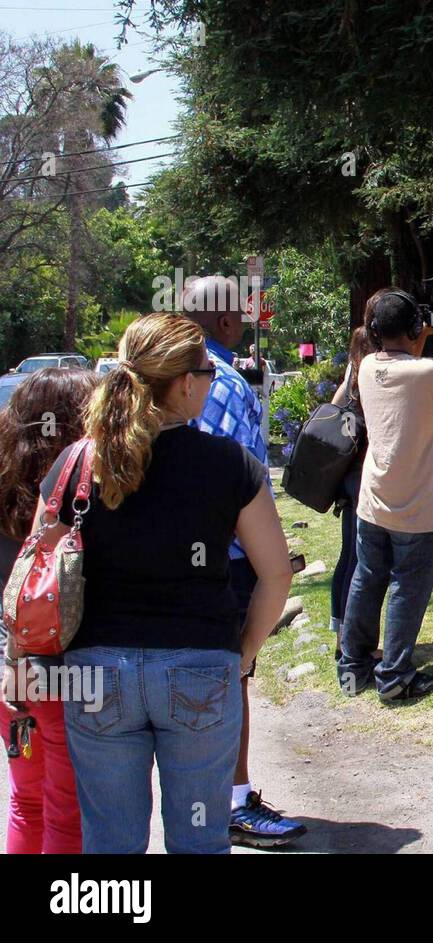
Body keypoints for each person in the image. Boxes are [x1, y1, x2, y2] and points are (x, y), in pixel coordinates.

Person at [44, 314, 293, 853]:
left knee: (109, 842)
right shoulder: (230, 464)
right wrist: (242, 652)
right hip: (201, 667)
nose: (211, 382)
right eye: (207, 373)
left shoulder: (77, 464)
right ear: (184, 383)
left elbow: (42, 567)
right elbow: (276, 573)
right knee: (199, 839)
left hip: (95, 675)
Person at [181, 275, 307, 847]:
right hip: (220, 565)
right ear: (227, 324)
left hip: (166, 561)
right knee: (233, 678)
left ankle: (200, 805)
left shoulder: (153, 377)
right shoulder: (222, 380)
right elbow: (231, 486)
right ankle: (233, 801)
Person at [337, 289, 433, 702]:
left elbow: (406, 362)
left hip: (373, 500)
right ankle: (395, 676)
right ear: (416, 329)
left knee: (366, 579)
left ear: (375, 330)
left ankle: (353, 665)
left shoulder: (365, 369)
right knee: (407, 586)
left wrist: (422, 335)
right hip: (417, 508)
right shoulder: (430, 373)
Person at [0, 366, 97, 854]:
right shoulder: (81, 492)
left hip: (7, 675)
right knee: (66, 808)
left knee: (25, 801)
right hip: (60, 672)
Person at [329, 321, 376, 649]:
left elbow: (332, 410)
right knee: (360, 557)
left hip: (347, 477)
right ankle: (352, 639)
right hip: (362, 475)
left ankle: (341, 630)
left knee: (348, 554)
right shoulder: (369, 379)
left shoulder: (351, 376)